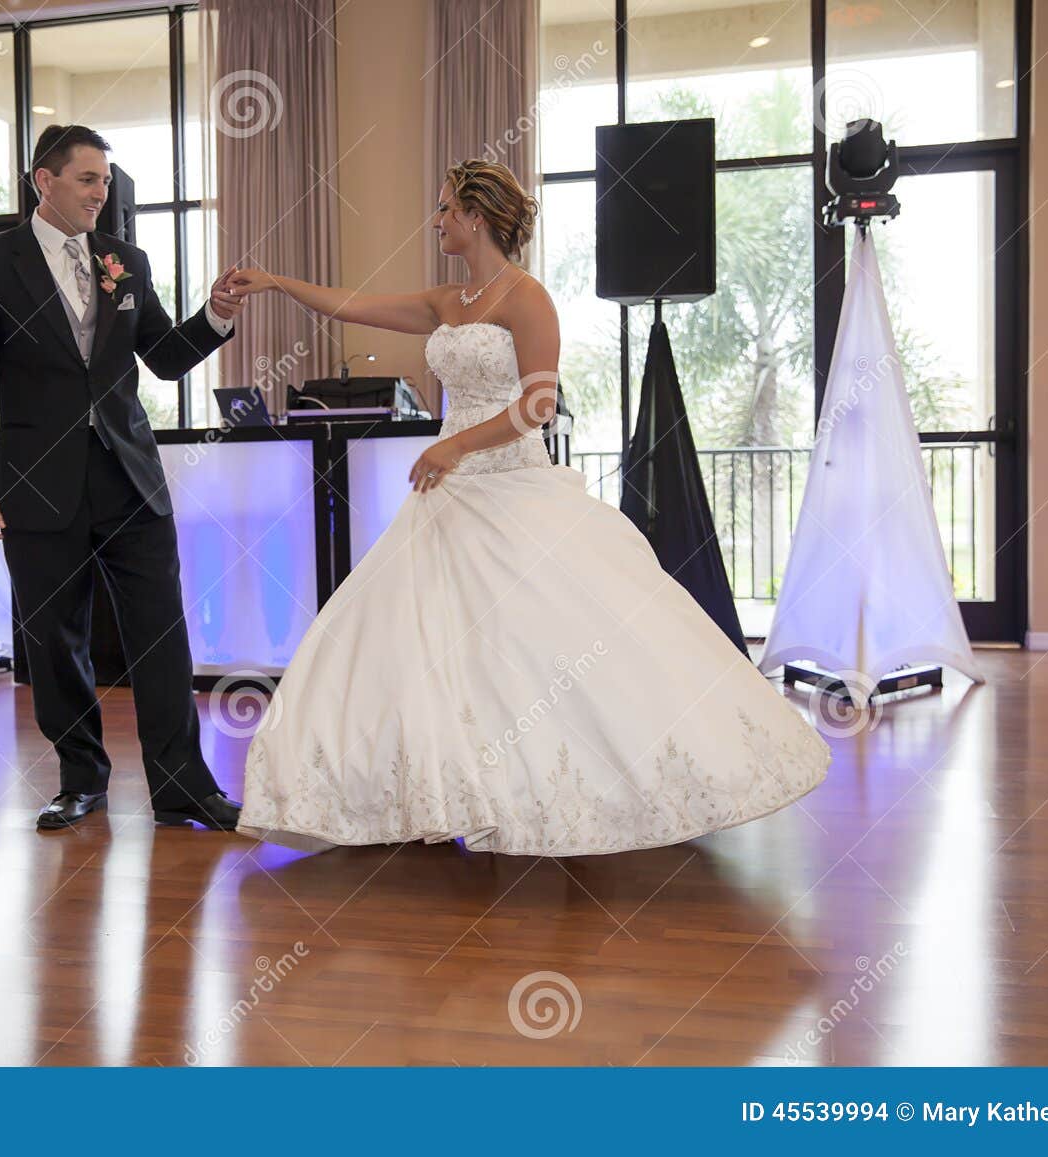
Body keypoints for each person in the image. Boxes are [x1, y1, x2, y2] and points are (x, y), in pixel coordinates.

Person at [223, 159, 831, 856]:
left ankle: (579, 788)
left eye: (447, 208)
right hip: (447, 497)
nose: (438, 220)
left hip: (510, 483)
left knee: (536, 645)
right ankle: (440, 789)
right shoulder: (446, 301)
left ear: (477, 216)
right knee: (420, 643)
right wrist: (274, 282)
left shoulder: (526, 297)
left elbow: (539, 402)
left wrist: (456, 446)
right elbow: (352, 303)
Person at [0, 124, 247, 833]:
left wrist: (217, 317)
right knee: (55, 640)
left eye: (105, 181)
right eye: (86, 179)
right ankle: (81, 780)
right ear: (43, 182)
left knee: (161, 635)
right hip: (36, 485)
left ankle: (181, 788)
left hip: (129, 477)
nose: (99, 193)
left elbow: (165, 357)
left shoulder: (126, 260)